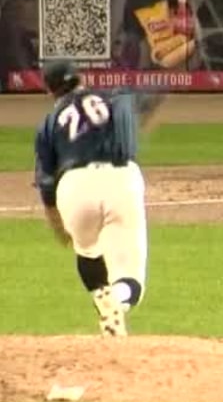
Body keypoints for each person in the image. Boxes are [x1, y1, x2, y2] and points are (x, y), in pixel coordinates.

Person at [32, 60, 163, 338]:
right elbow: (146, 103)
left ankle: (109, 318)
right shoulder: (112, 97)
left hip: (73, 187)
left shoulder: (49, 123)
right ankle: (118, 299)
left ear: (50, 91)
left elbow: (45, 183)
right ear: (81, 79)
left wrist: (58, 227)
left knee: (88, 251)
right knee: (131, 281)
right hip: (121, 179)